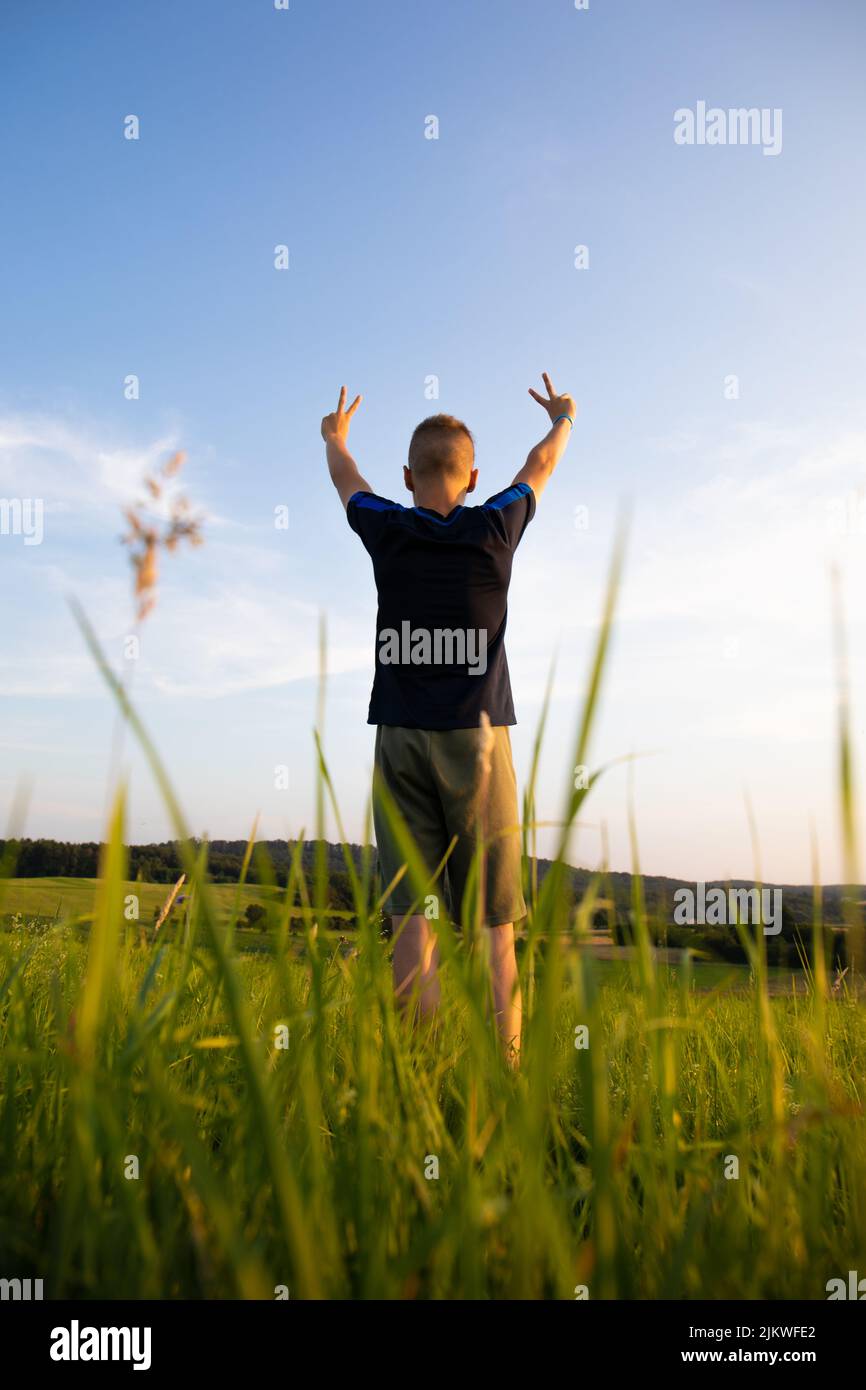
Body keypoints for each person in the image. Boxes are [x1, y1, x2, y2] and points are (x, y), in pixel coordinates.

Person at [322, 374, 576, 1064]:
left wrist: (334, 436)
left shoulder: (388, 529)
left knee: (412, 921)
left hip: (400, 736)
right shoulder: (496, 526)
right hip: (480, 740)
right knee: (495, 928)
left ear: (407, 477)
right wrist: (562, 419)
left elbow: (346, 478)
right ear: (472, 477)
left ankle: (417, 1086)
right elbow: (541, 466)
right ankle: (506, 1081)